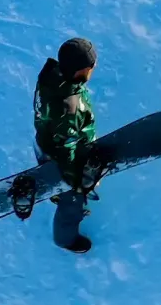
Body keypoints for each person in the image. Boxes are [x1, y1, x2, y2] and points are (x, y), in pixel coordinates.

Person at [32, 37, 106, 253]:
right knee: (71, 203)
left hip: (46, 141)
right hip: (61, 157)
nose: (94, 69)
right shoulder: (68, 109)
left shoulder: (52, 76)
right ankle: (65, 239)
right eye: (91, 66)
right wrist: (79, 184)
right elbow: (67, 154)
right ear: (80, 71)